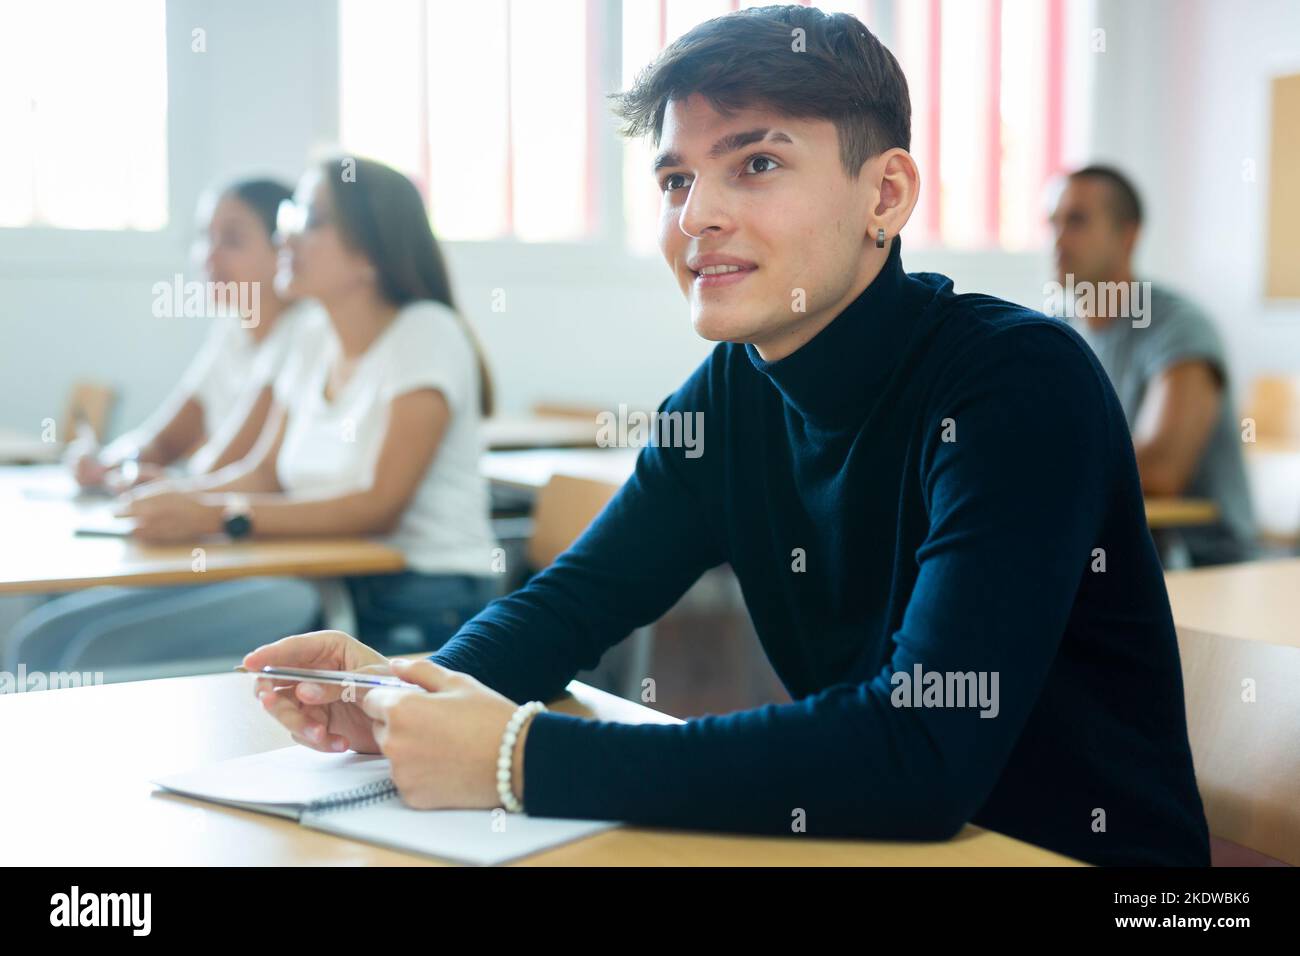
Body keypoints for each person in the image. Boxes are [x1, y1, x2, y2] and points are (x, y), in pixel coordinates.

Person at [247, 6, 1210, 867]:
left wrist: (519, 759)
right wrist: (410, 690)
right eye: (674, 178)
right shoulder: (731, 396)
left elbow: (921, 752)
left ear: (886, 196)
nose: (695, 215)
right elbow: (571, 605)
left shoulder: (1019, 384)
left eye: (756, 162)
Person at [9, 159, 500, 674]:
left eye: (309, 222)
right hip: (316, 575)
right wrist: (186, 497)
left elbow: (380, 506)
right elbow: (264, 472)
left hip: (414, 596)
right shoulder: (313, 335)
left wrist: (217, 514)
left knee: (91, 658)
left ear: (369, 255)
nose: (286, 238)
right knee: (43, 641)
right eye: (289, 218)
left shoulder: (427, 333)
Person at [1050, 164, 1256, 566]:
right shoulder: (1056, 330)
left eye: (1076, 221)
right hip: (1106, 557)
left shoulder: (1178, 328)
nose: (1057, 238)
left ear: (1128, 236)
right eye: (1053, 222)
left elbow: (1159, 471)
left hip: (1205, 566)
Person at [67, 178, 313, 490]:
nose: (209, 257)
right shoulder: (232, 330)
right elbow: (165, 438)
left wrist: (169, 483)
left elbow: (227, 464)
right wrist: (109, 462)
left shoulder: (302, 334)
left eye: (232, 240)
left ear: (284, 248)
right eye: (205, 237)